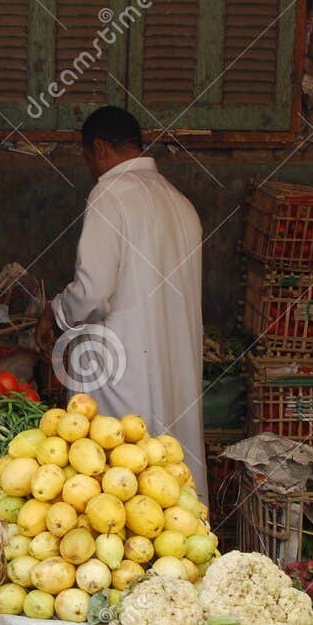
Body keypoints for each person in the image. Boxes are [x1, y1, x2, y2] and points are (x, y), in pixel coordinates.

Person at [35, 106, 206, 486]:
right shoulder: (180, 203)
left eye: (86, 158)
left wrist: (55, 313)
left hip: (121, 366)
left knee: (119, 485)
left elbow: (93, 290)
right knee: (172, 488)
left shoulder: (109, 195)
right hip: (175, 365)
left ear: (98, 149)